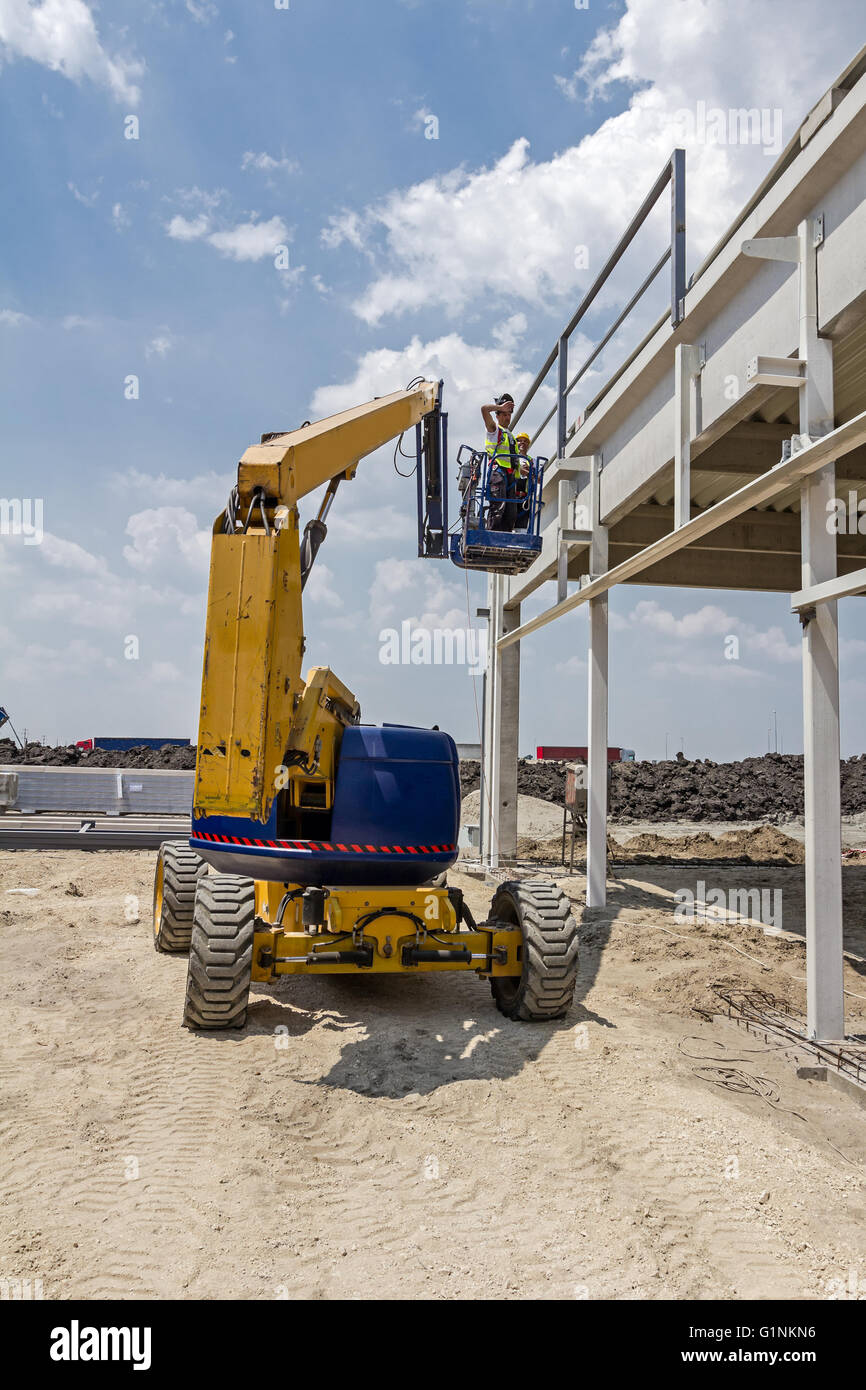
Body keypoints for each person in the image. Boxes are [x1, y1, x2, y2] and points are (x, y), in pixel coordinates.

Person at [481, 393, 519, 531]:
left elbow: (513, 459)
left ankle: (505, 538)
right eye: (503, 414)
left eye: (509, 414)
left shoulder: (510, 435)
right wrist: (500, 406)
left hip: (510, 477)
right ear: (497, 415)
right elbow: (484, 409)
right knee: (498, 510)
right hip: (498, 474)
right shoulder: (494, 430)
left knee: (511, 514)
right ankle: (491, 535)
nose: (507, 417)